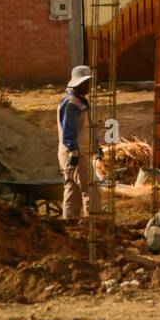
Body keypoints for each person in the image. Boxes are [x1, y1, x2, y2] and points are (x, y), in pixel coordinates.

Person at [57, 65, 93, 221]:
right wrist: (74, 152)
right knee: (91, 190)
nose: (88, 86)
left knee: (73, 191)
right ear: (77, 84)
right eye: (86, 83)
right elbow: (69, 131)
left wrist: (95, 144)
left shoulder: (79, 101)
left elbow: (85, 127)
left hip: (75, 152)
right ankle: (95, 226)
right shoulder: (72, 103)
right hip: (75, 153)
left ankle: (70, 226)